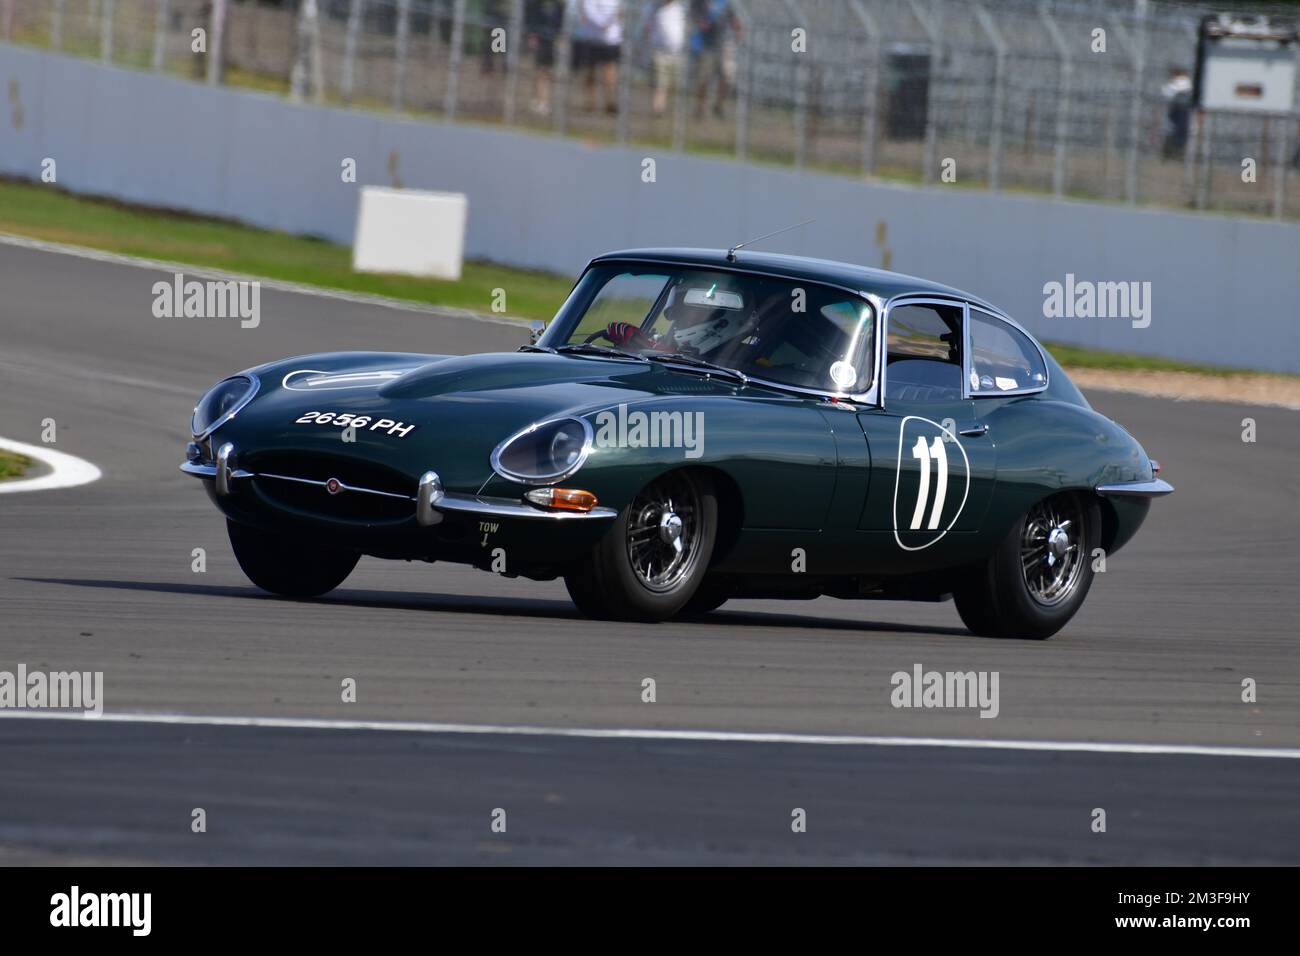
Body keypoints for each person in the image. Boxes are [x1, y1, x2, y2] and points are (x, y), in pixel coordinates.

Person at [690, 0, 741, 120]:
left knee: (727, 78)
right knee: (703, 80)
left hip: (724, 45)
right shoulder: (699, 3)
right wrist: (701, 23)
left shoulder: (724, 3)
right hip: (706, 46)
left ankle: (718, 105)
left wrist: (738, 31)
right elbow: (694, 17)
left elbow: (733, 18)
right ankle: (700, 106)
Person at [571, 0, 624, 115]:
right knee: (590, 71)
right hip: (592, 38)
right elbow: (588, 11)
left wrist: (610, 23)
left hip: (611, 40)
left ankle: (610, 101)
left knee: (610, 71)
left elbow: (619, 12)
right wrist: (602, 23)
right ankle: (589, 101)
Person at [645, 0, 688, 118]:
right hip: (660, 52)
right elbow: (647, 28)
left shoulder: (680, 8)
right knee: (660, 83)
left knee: (675, 84)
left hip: (677, 53)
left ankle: (674, 112)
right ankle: (658, 110)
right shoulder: (654, 8)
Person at [525, 0, 566, 115]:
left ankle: (544, 101)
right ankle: (538, 98)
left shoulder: (559, 5)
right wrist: (532, 34)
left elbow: (561, 20)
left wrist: (561, 37)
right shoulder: (537, 4)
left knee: (546, 71)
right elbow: (532, 15)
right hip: (540, 38)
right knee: (539, 70)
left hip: (551, 40)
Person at [1161, 67, 1193, 160]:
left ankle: (1176, 152)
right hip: (1175, 108)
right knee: (1171, 130)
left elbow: (1171, 91)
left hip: (1182, 109)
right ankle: (1169, 151)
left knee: (1180, 131)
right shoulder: (1176, 83)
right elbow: (1167, 92)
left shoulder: (1184, 82)